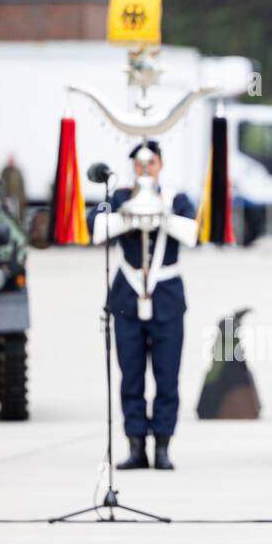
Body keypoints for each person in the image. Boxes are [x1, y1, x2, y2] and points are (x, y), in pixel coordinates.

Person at [94, 140, 196, 471]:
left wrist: (159, 215)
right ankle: (136, 444)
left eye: (151, 163)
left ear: (160, 165)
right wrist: (131, 214)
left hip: (166, 296)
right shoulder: (120, 197)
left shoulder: (176, 198)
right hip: (127, 296)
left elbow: (193, 233)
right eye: (139, 164)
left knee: (167, 376)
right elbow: (96, 231)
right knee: (131, 376)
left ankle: (163, 444)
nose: (145, 169)